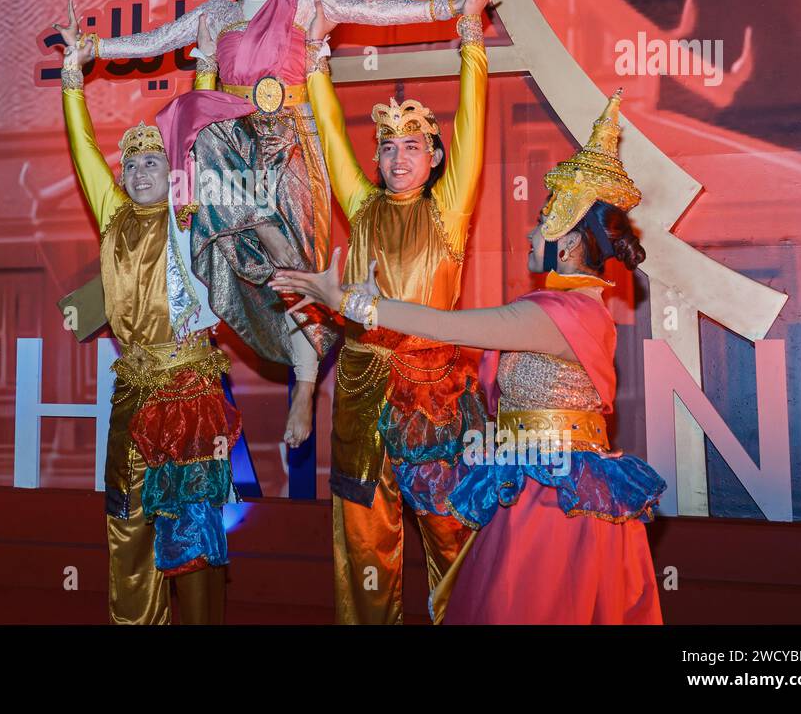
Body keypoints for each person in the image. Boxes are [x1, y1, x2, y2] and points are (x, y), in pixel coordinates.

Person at [57, 0, 476, 449]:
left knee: (299, 269)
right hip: (236, 149)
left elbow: (378, 9)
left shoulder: (307, 5)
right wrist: (93, 47)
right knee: (205, 138)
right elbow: (152, 44)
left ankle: (306, 381)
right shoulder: (218, 16)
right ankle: (270, 286)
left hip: (291, 144)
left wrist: (449, 7)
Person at [272, 92, 667, 624]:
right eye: (387, 148)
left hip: (553, 504)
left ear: (570, 244)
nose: (531, 231)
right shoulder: (564, 306)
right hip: (528, 486)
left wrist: (349, 300)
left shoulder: (561, 315)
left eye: (545, 218)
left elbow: (445, 326)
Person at [272, 0, 496, 623]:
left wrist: (470, 34)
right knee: (367, 551)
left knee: (456, 545)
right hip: (364, 398)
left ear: (434, 156)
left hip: (436, 398)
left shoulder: (447, 212)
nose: (399, 159)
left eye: (413, 147)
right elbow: (332, 137)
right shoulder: (362, 208)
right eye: (388, 148)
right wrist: (315, 57)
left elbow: (474, 131)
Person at [60, 51, 241, 624]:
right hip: (133, 394)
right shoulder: (114, 218)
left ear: (173, 173)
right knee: (128, 522)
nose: (141, 173)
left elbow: (197, 129)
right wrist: (72, 77)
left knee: (190, 533)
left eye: (153, 164)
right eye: (131, 165)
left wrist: (207, 64)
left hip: (190, 389)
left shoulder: (187, 217)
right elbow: (84, 151)